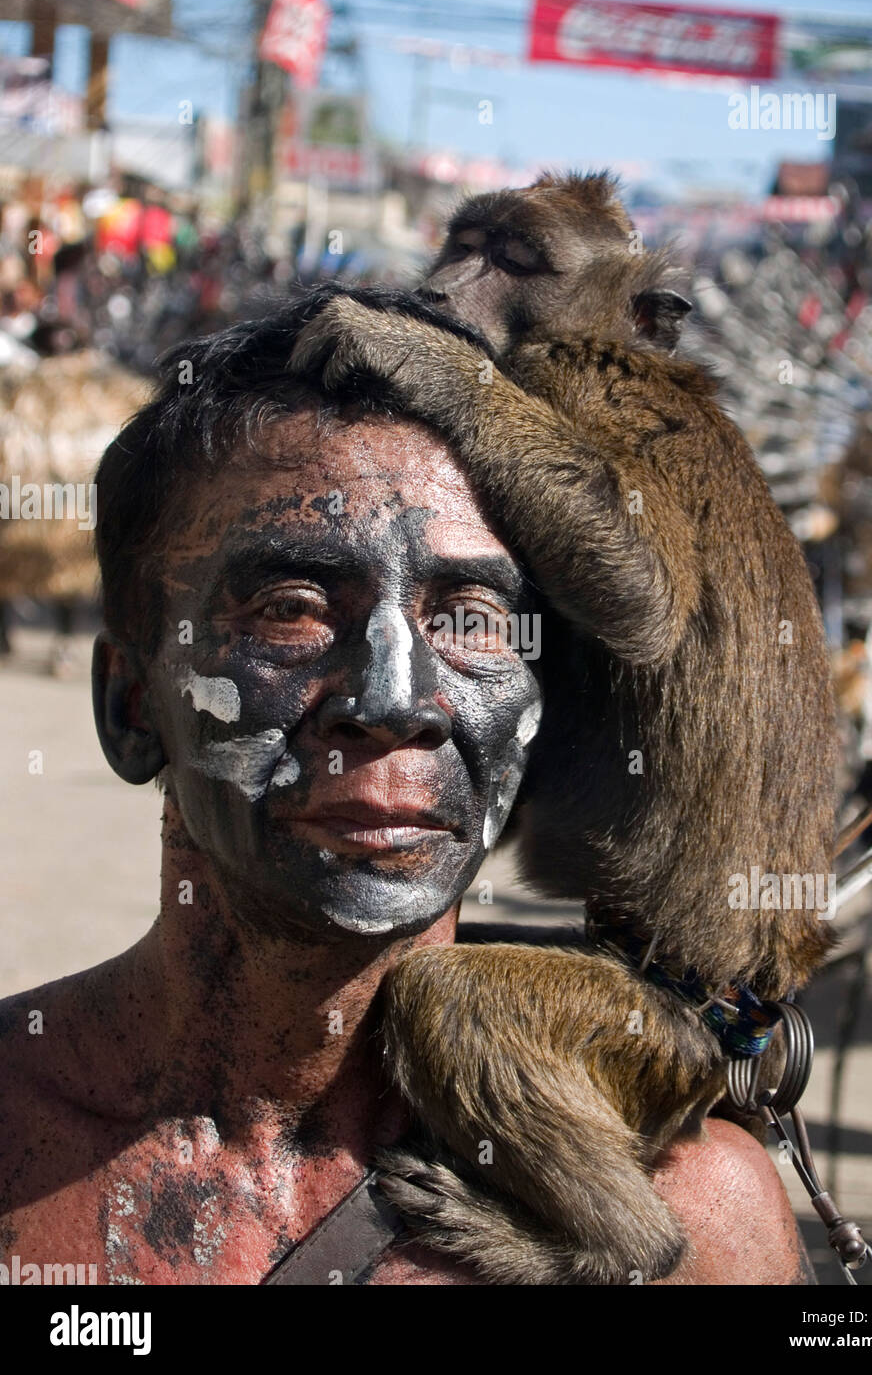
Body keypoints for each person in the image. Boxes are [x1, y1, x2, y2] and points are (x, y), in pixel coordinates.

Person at [0, 286, 815, 1285]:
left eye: (471, 619)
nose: (393, 702)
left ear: (536, 718)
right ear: (133, 706)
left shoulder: (702, 1223)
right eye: (292, 608)